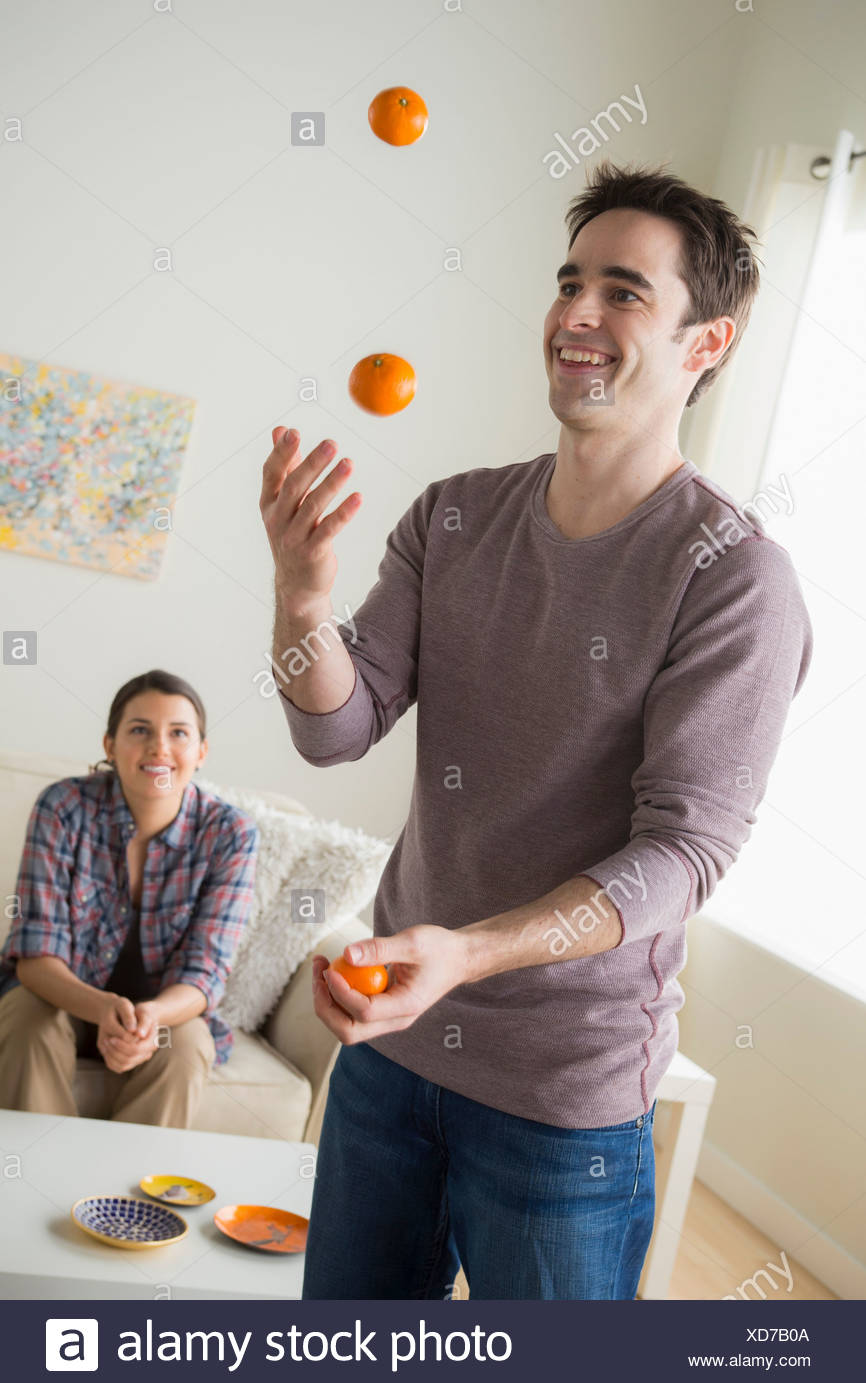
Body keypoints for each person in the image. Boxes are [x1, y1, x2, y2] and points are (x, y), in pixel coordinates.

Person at [259, 160, 813, 1299]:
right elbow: (336, 728)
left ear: (703, 346)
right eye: (570, 283)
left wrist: (465, 954)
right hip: (386, 1049)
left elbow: (682, 853)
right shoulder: (454, 515)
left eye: (623, 291)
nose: (576, 313)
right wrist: (302, 600)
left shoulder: (733, 577)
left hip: (561, 1099)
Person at [0, 670, 259, 1127]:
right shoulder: (62, 808)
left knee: (188, 1043)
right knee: (26, 1018)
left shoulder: (230, 834)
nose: (159, 747)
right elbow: (36, 956)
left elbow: (206, 972)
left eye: (178, 733)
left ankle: (132, 1194)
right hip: (64, 1002)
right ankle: (38, 1182)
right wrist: (103, 1010)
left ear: (200, 752)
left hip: (160, 1015)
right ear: (110, 745)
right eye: (140, 730)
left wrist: (148, 1019)